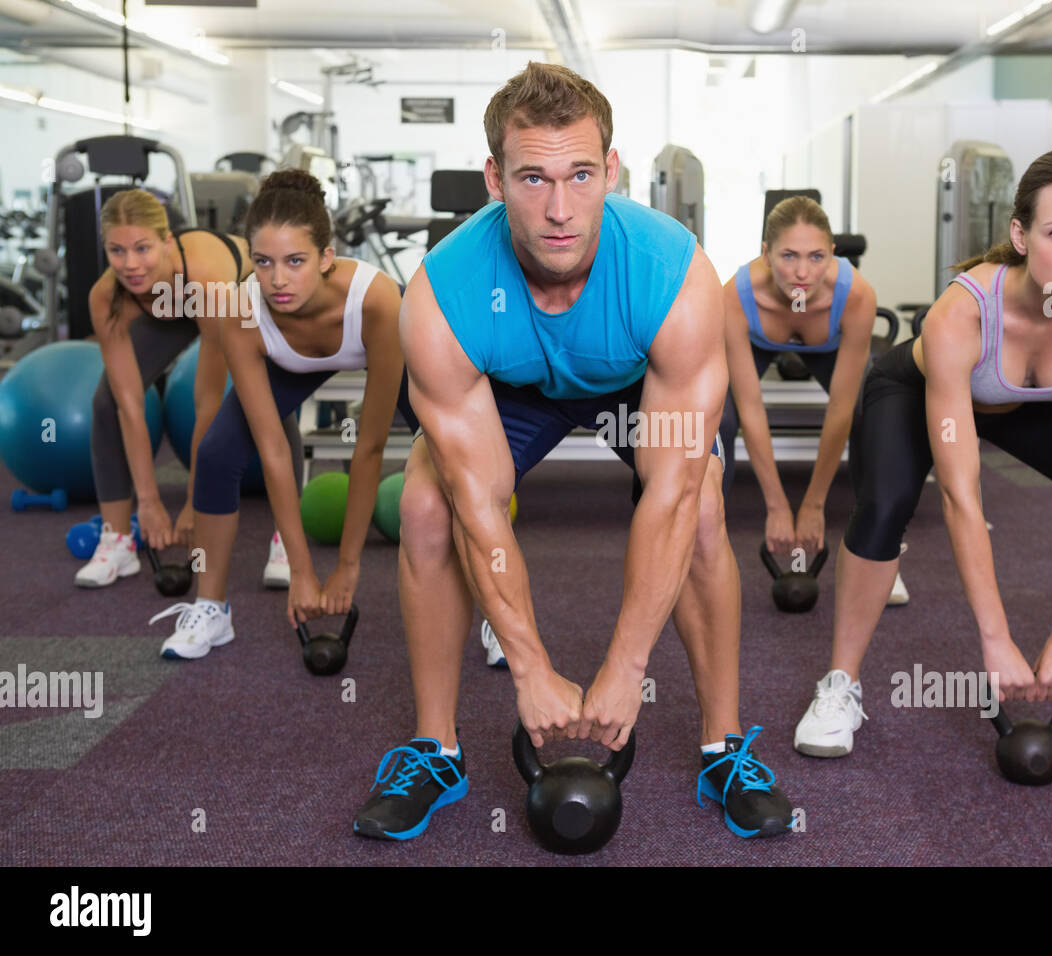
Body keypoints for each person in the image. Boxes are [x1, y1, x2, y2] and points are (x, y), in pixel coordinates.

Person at [354, 61, 794, 842]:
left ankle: (724, 747)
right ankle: (435, 747)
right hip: (514, 387)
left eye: (580, 174)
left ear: (610, 170)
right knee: (425, 505)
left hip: (635, 383)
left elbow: (671, 494)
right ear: (495, 177)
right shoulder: (444, 293)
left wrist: (626, 670)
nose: (559, 208)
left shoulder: (672, 273)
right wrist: (528, 668)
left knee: (700, 511)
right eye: (532, 178)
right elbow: (476, 506)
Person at [793, 148, 1052, 762]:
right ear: (1020, 233)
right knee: (883, 510)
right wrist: (996, 640)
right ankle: (840, 684)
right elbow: (962, 496)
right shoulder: (961, 315)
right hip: (913, 391)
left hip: (1033, 402)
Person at [148, 169, 417, 660]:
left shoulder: (378, 300)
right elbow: (272, 448)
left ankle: (491, 612)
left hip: (385, 346)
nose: (277, 280)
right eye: (263, 262)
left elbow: (370, 447)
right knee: (217, 453)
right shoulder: (241, 312)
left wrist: (347, 566)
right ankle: (211, 608)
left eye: (296, 261)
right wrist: (302, 569)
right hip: (293, 361)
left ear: (326, 258)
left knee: (453, 460)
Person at [76, 188, 301, 590]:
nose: (130, 264)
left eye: (142, 248)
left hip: (238, 296)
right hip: (166, 304)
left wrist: (197, 500)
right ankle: (117, 539)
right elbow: (130, 404)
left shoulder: (207, 277)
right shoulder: (106, 297)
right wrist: (148, 502)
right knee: (107, 401)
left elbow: (207, 400)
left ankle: (287, 540)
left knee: (268, 397)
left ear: (165, 240)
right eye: (117, 251)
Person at [718, 196, 909, 606]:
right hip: (759, 341)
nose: (803, 272)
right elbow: (752, 406)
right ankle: (704, 555)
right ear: (766, 254)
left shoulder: (856, 296)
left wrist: (813, 504)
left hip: (827, 347)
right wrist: (776, 506)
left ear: (833, 255)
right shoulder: (734, 296)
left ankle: (879, 554)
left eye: (816, 256)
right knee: (721, 419)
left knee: (871, 415)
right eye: (789, 255)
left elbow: (839, 407)